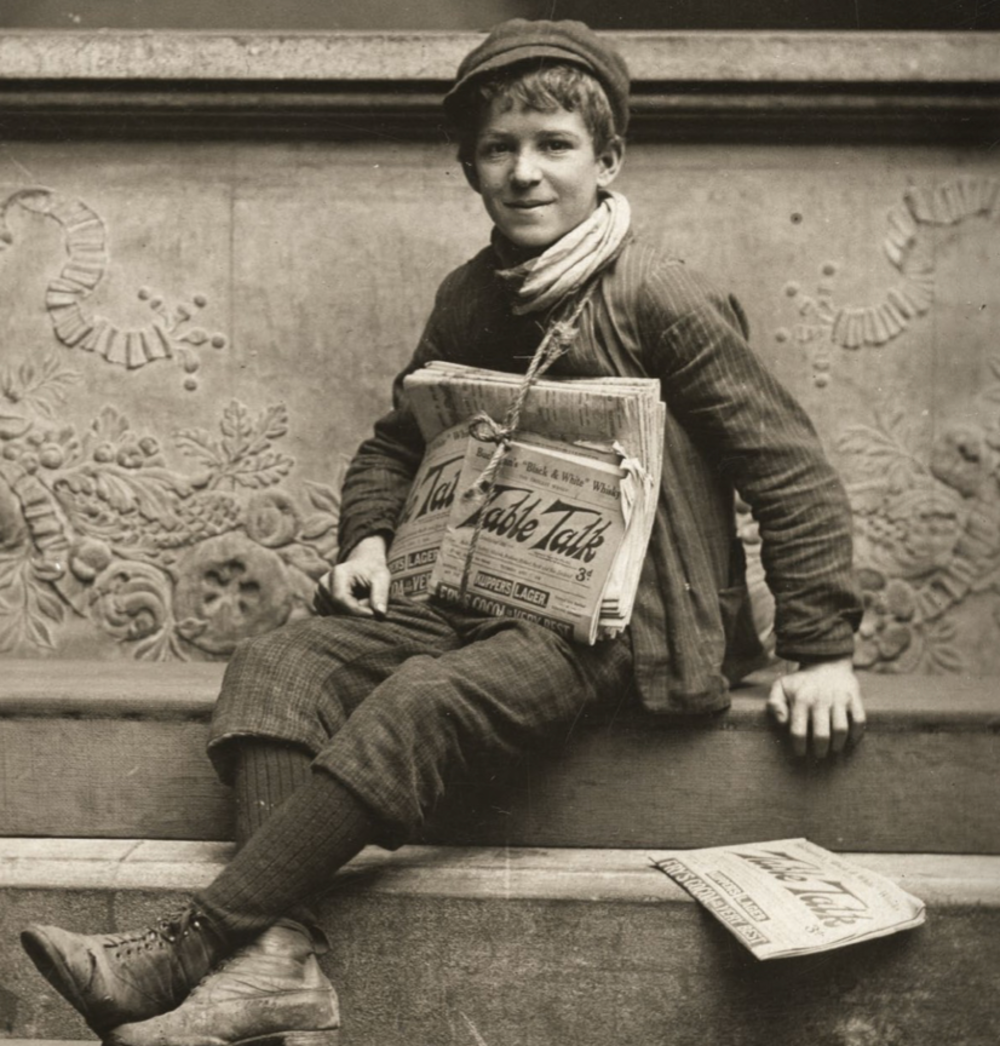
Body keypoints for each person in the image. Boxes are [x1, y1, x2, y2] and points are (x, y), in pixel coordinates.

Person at [20, 18, 866, 1046]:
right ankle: (279, 961)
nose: (524, 172)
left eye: (553, 145)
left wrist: (821, 648)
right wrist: (370, 542)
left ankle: (185, 948)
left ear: (607, 160)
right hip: (475, 593)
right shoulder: (472, 296)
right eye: (499, 149)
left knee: (421, 698)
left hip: (614, 626)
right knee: (279, 664)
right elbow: (394, 442)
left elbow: (786, 461)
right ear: (469, 166)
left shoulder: (659, 295)